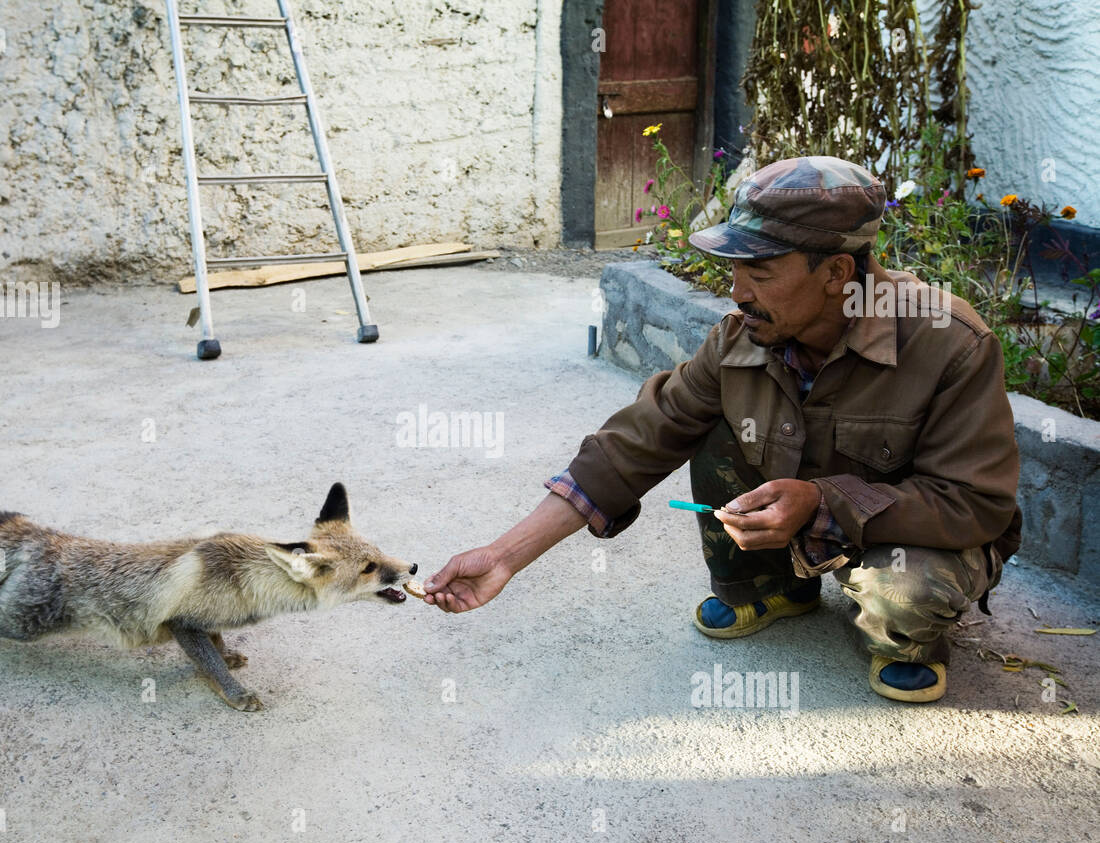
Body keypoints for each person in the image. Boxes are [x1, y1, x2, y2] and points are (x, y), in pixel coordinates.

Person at [422, 155, 1022, 704]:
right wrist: (504, 556)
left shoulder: (950, 343)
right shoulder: (741, 337)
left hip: (904, 533)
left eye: (759, 271)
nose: (737, 293)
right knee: (712, 429)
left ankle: (910, 639)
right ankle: (772, 585)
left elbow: (975, 502)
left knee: (906, 595)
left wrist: (820, 503)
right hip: (797, 520)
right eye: (734, 269)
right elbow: (637, 441)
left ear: (838, 270)